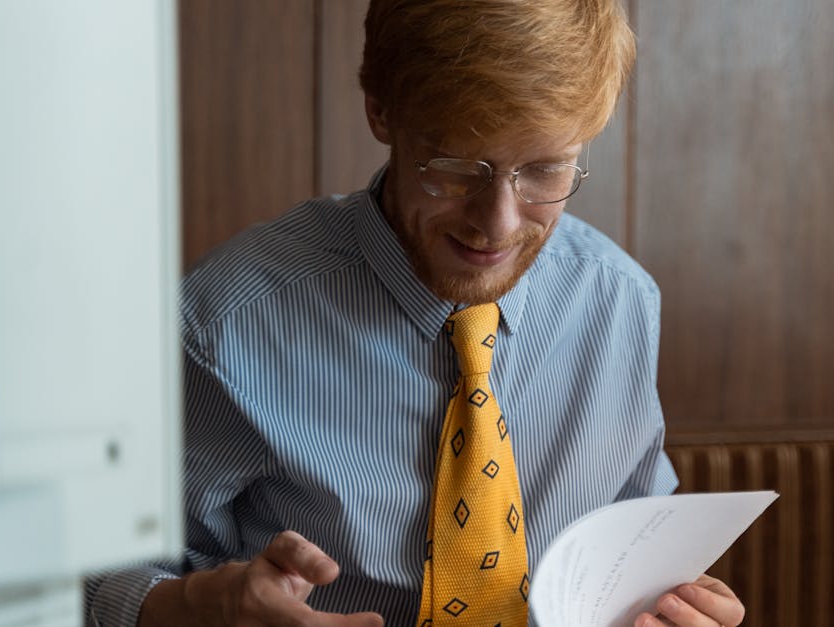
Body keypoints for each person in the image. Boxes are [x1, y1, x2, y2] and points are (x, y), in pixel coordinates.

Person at [86, 1, 746, 625]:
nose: (498, 224)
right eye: (458, 168)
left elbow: (631, 555)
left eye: (545, 170)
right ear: (381, 110)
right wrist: (201, 606)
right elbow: (87, 581)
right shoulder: (222, 324)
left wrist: (672, 605)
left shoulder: (618, 302)